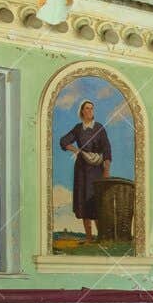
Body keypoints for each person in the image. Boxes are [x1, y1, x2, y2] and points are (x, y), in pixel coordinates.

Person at [59, 99, 112, 242]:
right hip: (81, 170)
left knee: (97, 202)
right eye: (87, 108)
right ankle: (88, 238)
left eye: (92, 108)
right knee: (83, 202)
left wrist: (106, 171)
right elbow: (63, 141)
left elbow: (107, 149)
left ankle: (101, 237)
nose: (90, 111)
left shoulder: (99, 128)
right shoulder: (78, 128)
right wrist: (76, 150)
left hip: (96, 170)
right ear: (82, 111)